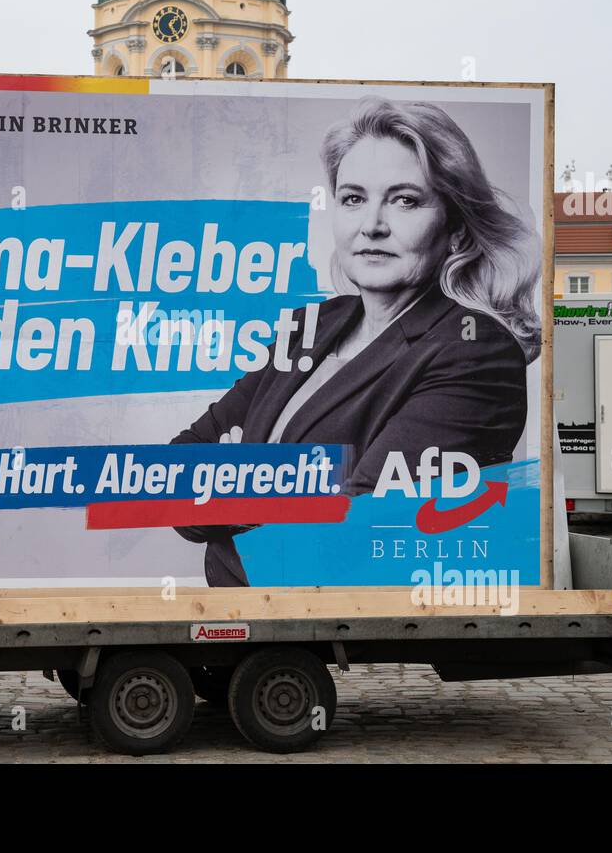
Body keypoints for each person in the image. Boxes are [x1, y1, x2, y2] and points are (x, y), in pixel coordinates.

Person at [172, 98, 542, 586]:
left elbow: (359, 528)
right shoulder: (316, 323)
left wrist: (238, 472)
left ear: (454, 228)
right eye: (353, 198)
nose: (372, 225)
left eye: (404, 199)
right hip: (233, 609)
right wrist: (293, 486)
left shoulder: (476, 351)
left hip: (306, 615)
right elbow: (173, 475)